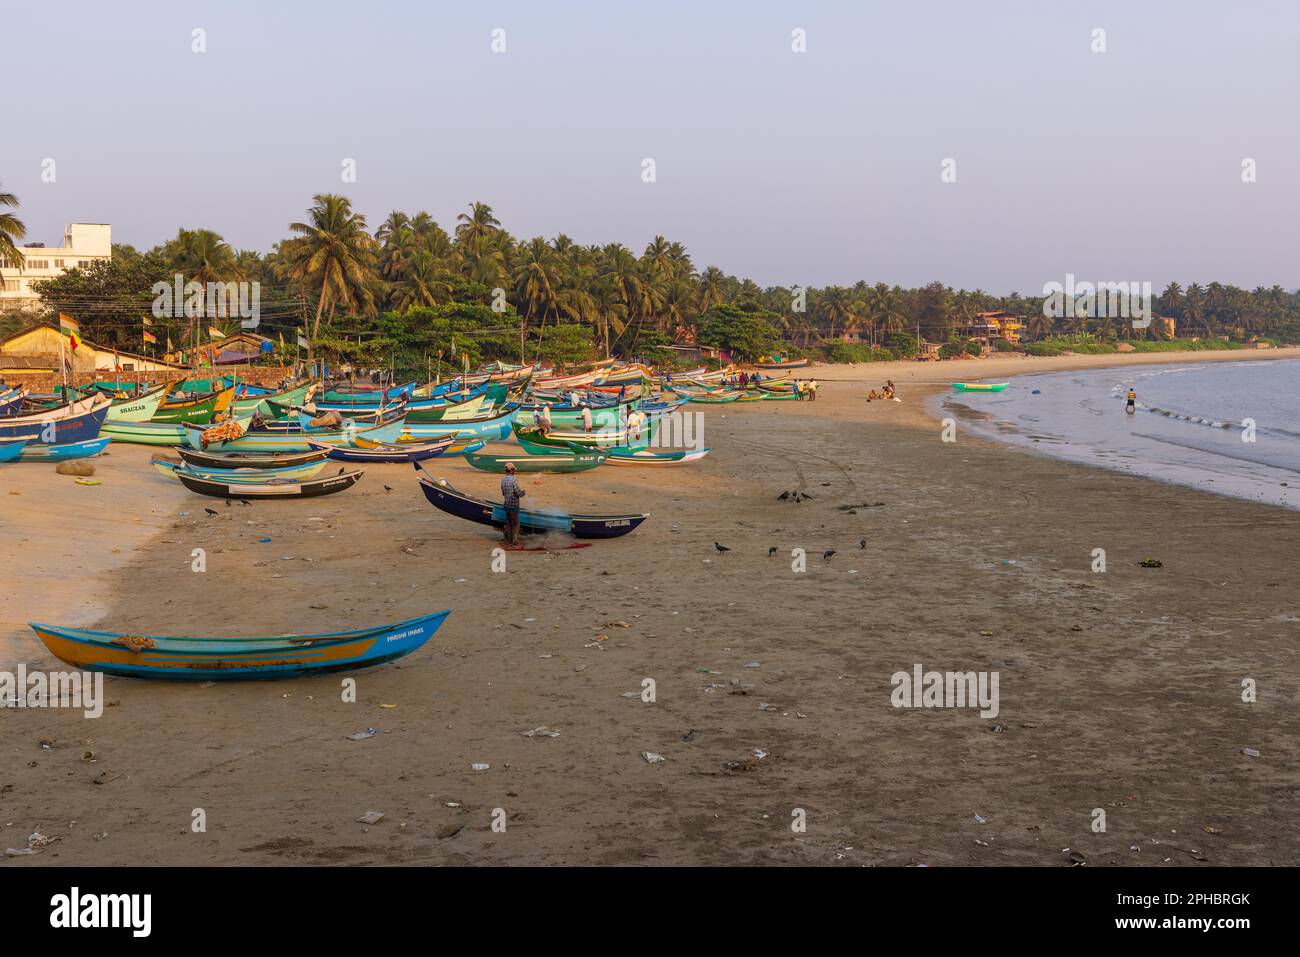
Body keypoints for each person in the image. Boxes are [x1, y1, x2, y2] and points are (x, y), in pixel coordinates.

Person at [500, 462, 525, 546]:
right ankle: (515, 540)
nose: (514, 471)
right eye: (514, 470)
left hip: (506, 504)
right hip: (514, 504)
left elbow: (503, 493)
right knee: (516, 523)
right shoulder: (513, 479)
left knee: (509, 523)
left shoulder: (503, 479)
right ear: (511, 470)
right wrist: (523, 493)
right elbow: (518, 493)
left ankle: (508, 539)